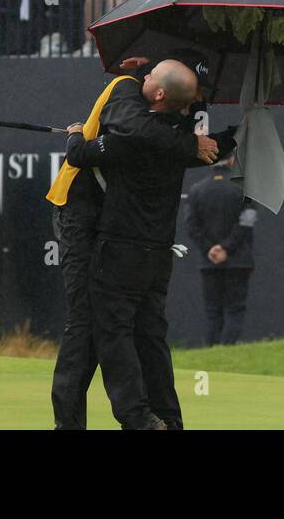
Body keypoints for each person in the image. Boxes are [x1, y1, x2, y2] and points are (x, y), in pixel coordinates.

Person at [66, 59, 234, 430]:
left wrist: (76, 134)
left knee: (113, 334)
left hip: (119, 249)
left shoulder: (133, 133)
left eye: (152, 75)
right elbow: (214, 145)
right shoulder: (187, 141)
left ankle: (138, 418)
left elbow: (78, 156)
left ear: (159, 94)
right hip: (158, 254)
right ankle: (169, 420)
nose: (145, 76)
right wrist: (239, 130)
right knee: (151, 337)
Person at [185, 156, 256, 346]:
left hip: (209, 262)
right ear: (232, 161)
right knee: (235, 310)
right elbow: (247, 222)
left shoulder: (196, 190)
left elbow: (191, 227)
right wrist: (226, 248)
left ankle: (212, 357)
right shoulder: (245, 189)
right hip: (238, 261)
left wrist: (211, 249)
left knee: (212, 311)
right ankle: (227, 354)